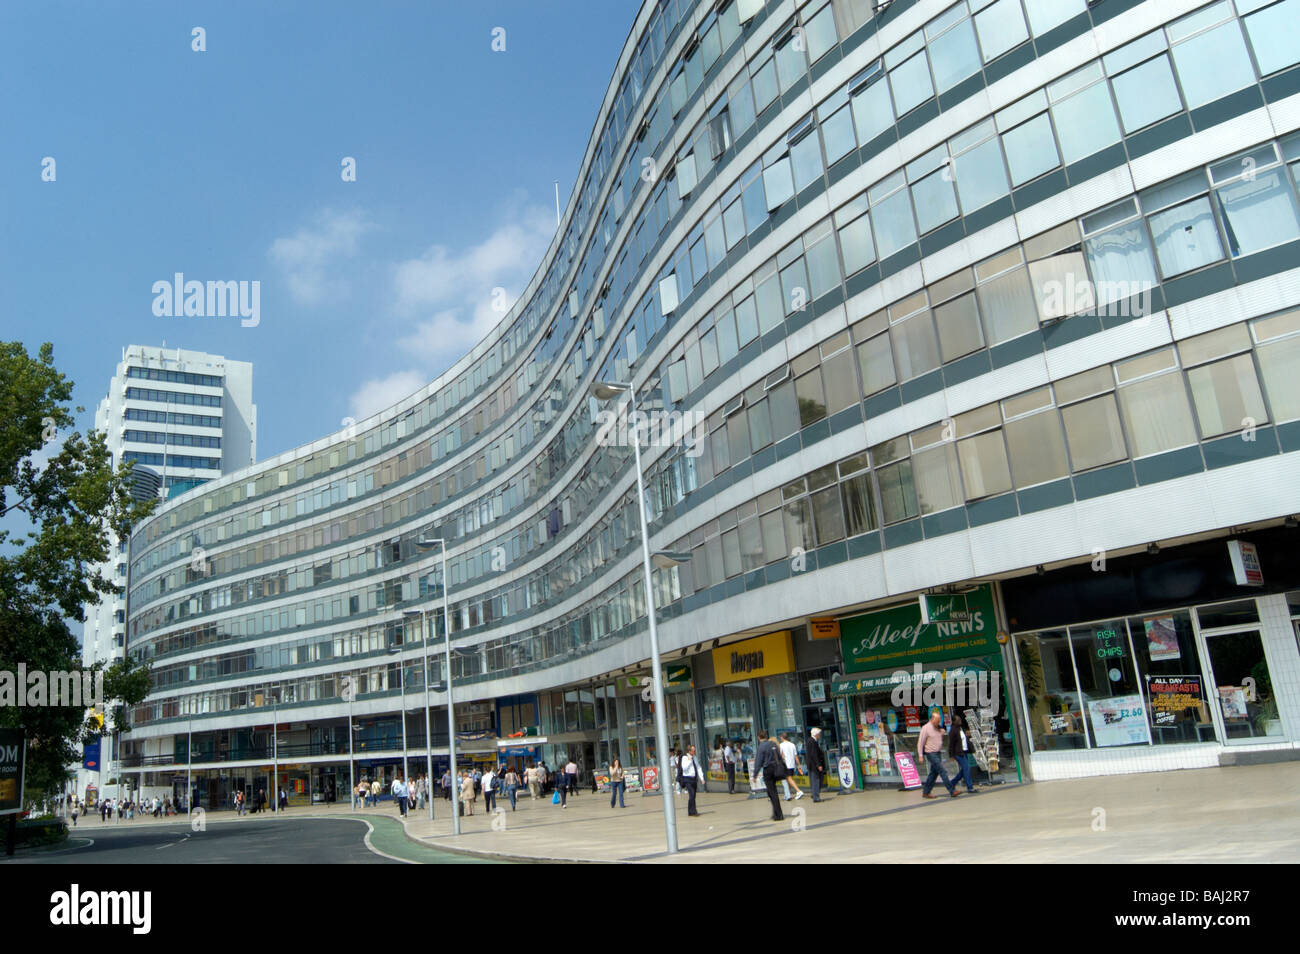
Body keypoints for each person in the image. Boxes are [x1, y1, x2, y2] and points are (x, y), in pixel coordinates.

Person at [918, 710, 959, 800]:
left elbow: (938, 738)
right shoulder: (926, 728)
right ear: (932, 719)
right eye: (937, 720)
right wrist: (920, 755)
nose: (939, 722)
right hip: (930, 753)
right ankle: (952, 790)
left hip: (938, 752)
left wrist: (942, 732)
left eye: (939, 720)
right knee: (942, 771)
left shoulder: (938, 727)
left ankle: (926, 792)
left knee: (934, 773)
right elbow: (920, 742)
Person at [753, 730, 785, 821]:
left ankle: (778, 814)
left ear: (759, 737)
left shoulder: (761, 747)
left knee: (772, 792)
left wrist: (755, 775)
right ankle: (776, 812)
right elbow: (779, 756)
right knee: (772, 792)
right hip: (776, 768)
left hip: (768, 770)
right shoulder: (773, 744)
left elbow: (758, 762)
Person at [948, 713, 979, 795]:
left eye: (960, 719)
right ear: (954, 721)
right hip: (958, 753)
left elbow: (964, 739)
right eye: (958, 720)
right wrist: (951, 755)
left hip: (964, 751)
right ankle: (970, 787)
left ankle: (952, 783)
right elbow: (951, 744)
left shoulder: (961, 728)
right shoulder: (953, 730)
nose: (960, 721)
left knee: (964, 770)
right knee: (967, 768)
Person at [778, 733, 804, 801]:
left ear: (782, 737)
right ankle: (787, 794)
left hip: (785, 764)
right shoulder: (792, 745)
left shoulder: (781, 745)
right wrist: (799, 765)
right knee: (789, 780)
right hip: (792, 765)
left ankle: (798, 791)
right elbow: (796, 756)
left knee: (789, 779)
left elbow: (781, 756)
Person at [679, 744, 703, 817]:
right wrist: (689, 760)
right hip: (687, 779)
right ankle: (694, 811)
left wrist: (702, 778)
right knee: (691, 794)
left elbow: (698, 767)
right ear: (689, 751)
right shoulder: (685, 758)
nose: (694, 752)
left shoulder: (695, 758)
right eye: (693, 750)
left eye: (695, 750)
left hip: (694, 779)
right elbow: (684, 768)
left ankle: (690, 811)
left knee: (693, 796)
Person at [806, 728, 826, 803]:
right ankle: (816, 797)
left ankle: (814, 794)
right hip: (814, 765)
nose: (820, 735)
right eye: (819, 734)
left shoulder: (811, 741)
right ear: (816, 734)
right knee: (816, 780)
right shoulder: (812, 741)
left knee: (817, 779)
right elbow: (814, 754)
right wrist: (818, 765)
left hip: (812, 764)